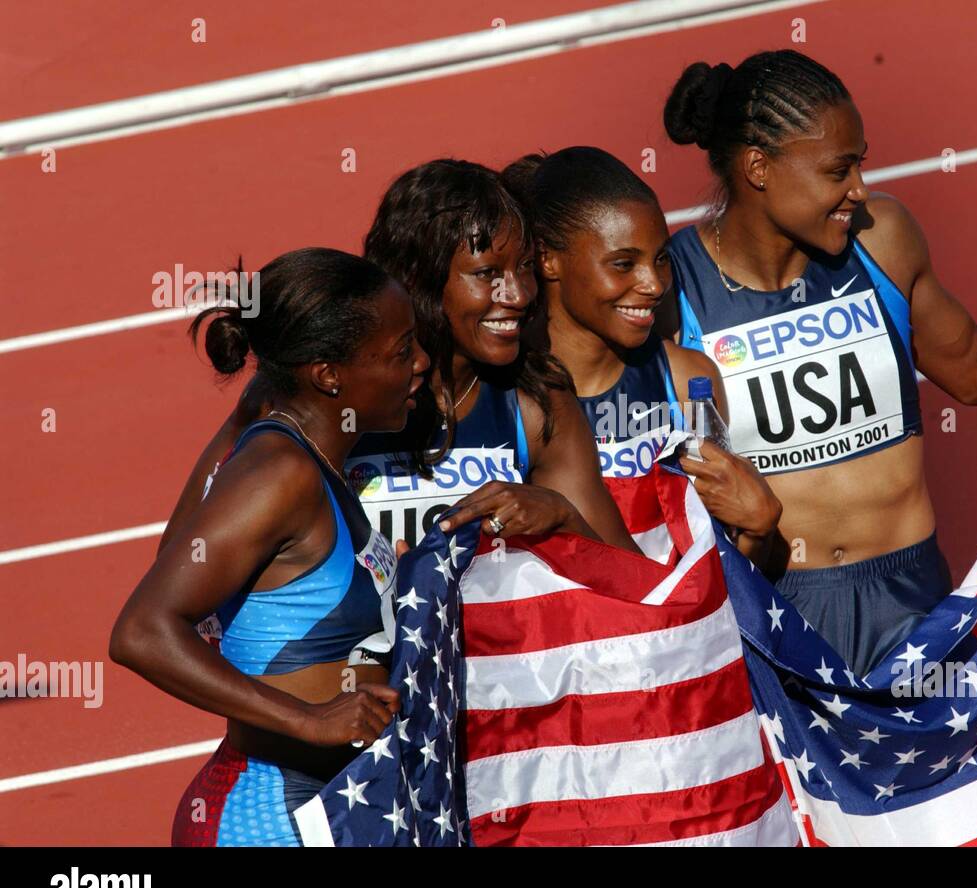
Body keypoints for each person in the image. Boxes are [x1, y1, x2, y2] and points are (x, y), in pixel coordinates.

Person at [659, 49, 977, 675]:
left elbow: (973, 366)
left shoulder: (880, 238)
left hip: (911, 597)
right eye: (838, 171)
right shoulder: (673, 293)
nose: (858, 190)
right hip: (775, 614)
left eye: (859, 166)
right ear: (759, 167)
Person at [110, 248, 428, 845]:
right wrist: (307, 719)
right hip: (268, 820)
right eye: (401, 350)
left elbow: (178, 555)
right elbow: (142, 631)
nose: (421, 363)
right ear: (329, 375)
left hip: (334, 810)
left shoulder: (307, 462)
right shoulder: (283, 473)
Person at [162, 160, 637, 556]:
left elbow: (631, 590)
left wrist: (561, 518)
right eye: (487, 272)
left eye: (525, 267)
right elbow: (183, 563)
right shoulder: (323, 393)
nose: (517, 294)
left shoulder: (535, 400)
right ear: (418, 276)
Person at [501, 146, 782, 565]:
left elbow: (739, 574)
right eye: (623, 264)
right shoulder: (504, 399)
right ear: (547, 259)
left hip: (681, 629)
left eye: (661, 259)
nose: (654, 284)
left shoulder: (687, 381)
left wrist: (760, 533)